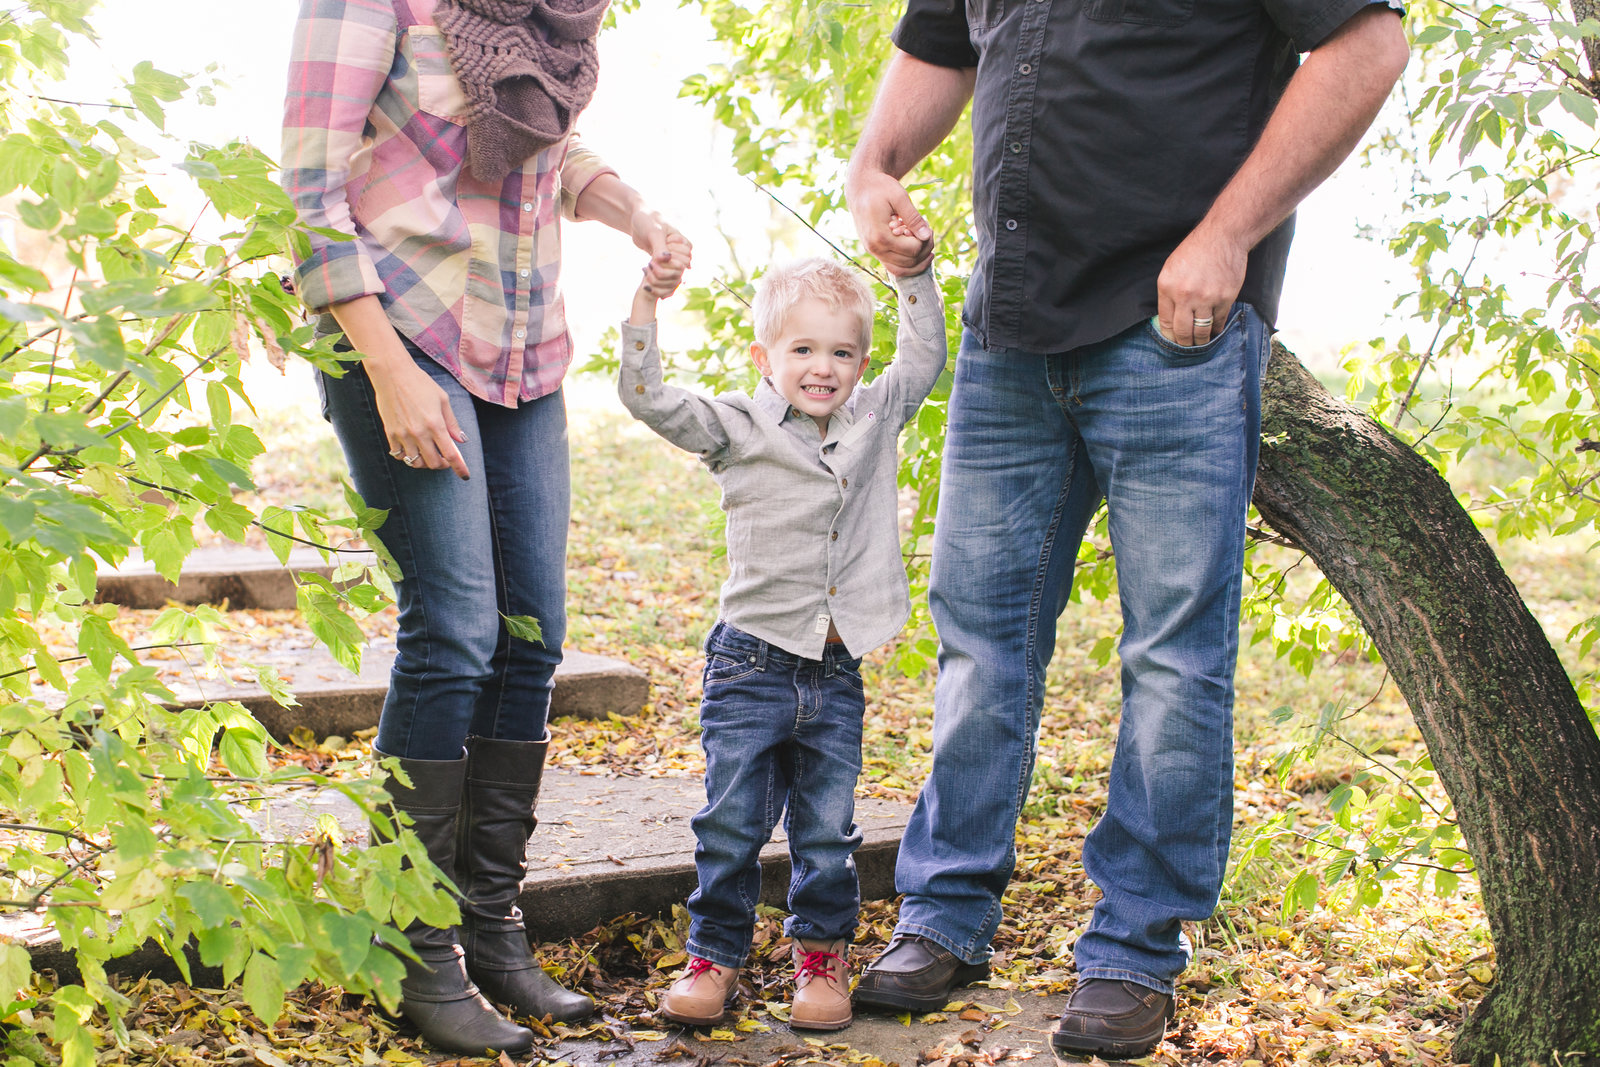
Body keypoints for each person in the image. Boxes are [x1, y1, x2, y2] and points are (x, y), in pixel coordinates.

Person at [842, 0, 1408, 1057]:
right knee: (977, 635)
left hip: (1171, 326)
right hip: (1007, 325)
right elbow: (939, 43)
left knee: (1172, 655)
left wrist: (1227, 235)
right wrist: (872, 171)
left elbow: (1366, 41)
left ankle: (1135, 946)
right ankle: (945, 913)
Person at [280, 0, 691, 1054]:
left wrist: (631, 210)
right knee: (456, 627)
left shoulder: (544, 16)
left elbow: (548, 146)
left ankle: (487, 923)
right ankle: (412, 944)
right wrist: (383, 371)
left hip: (521, 347)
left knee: (530, 636)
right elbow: (308, 184)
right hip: (402, 331)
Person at [617, 250, 948, 1031]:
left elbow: (925, 356)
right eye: (802, 349)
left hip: (836, 669)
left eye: (840, 352)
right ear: (765, 358)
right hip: (750, 663)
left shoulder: (874, 416)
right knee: (731, 821)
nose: (822, 368)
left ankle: (821, 956)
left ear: (862, 362)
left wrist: (913, 275)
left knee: (827, 828)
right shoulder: (735, 424)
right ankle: (714, 954)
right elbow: (646, 397)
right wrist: (644, 302)